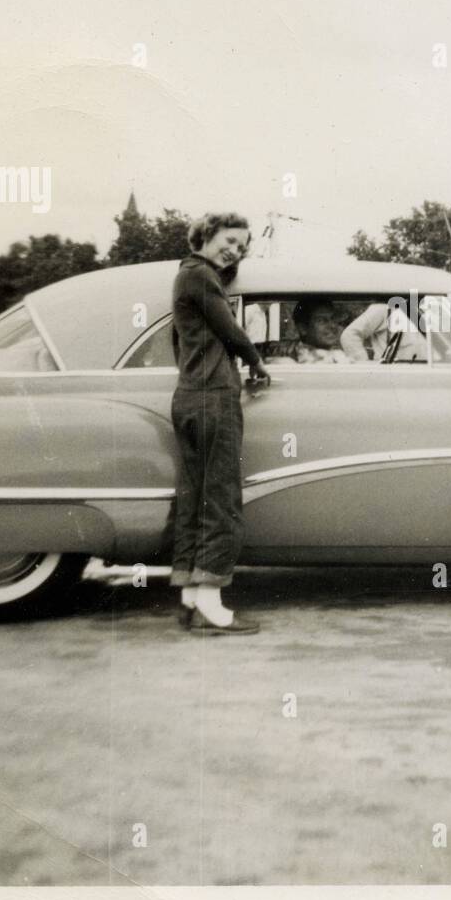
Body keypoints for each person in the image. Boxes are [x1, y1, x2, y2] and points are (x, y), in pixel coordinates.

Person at [169, 212, 271, 634]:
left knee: (194, 498)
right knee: (222, 498)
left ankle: (190, 596)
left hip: (190, 396)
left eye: (242, 247)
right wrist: (256, 363)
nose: (235, 250)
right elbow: (229, 328)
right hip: (214, 398)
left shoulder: (186, 275)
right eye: (230, 240)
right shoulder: (201, 276)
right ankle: (212, 602)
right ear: (207, 235)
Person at [339, 298, 425, 362]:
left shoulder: (431, 314)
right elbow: (350, 335)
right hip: (390, 376)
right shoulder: (384, 310)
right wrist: (363, 364)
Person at [291, 299, 351, 364]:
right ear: (303, 328)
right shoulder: (300, 361)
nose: (333, 326)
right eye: (321, 320)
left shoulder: (337, 353)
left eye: (333, 318)